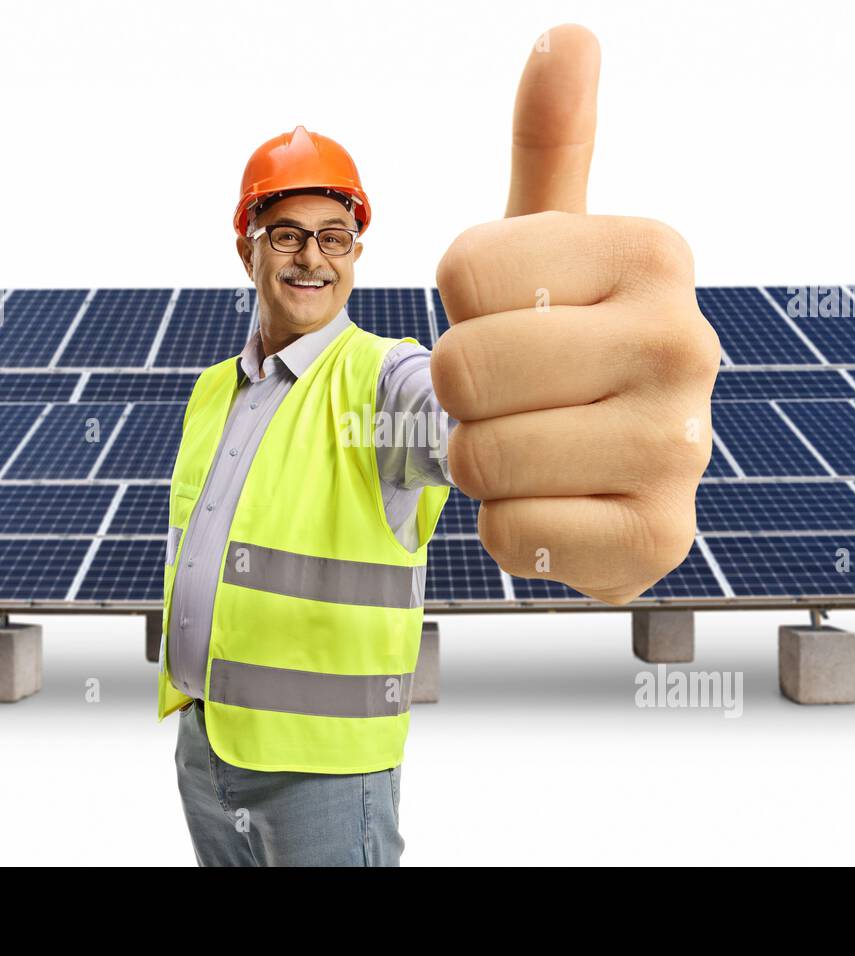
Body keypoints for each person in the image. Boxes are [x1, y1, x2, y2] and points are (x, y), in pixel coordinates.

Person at [160, 23, 720, 866]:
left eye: (334, 236)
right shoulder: (211, 392)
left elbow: (461, 419)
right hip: (202, 749)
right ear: (247, 247)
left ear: (355, 252)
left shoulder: (386, 379)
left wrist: (552, 392)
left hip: (326, 772)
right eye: (286, 234)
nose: (312, 257)